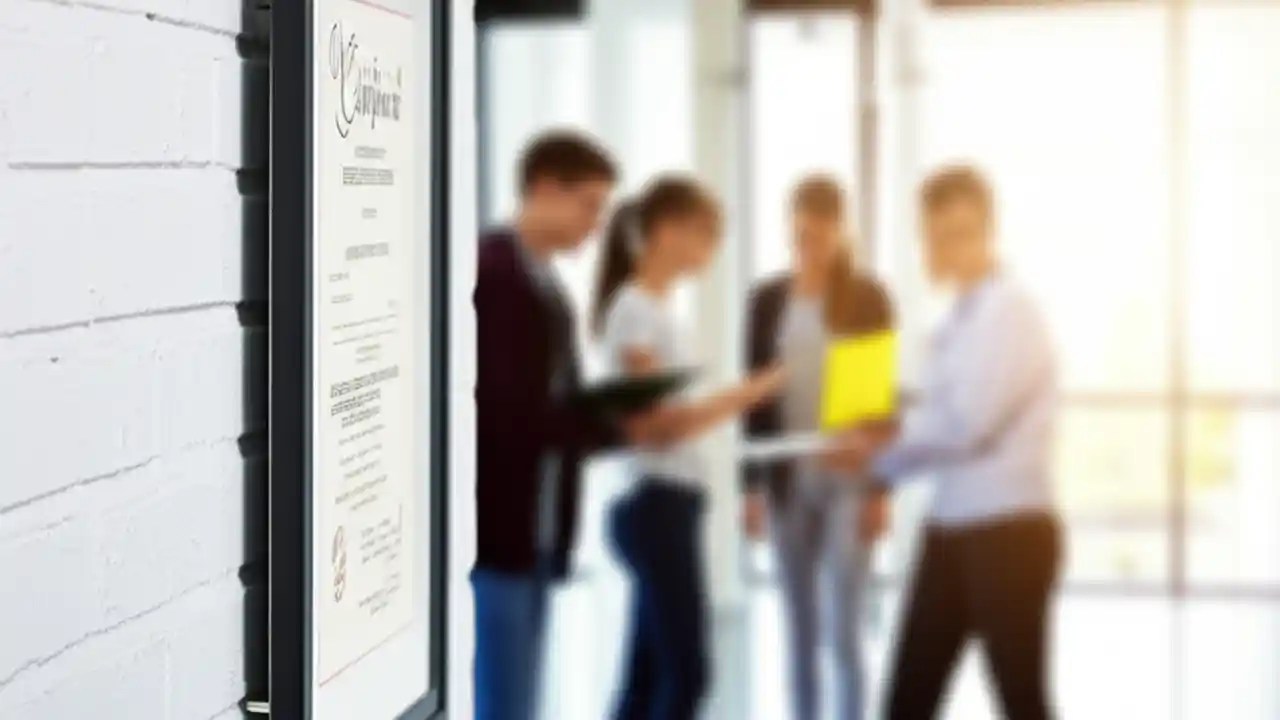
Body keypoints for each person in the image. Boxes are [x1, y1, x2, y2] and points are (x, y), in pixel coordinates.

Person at [827, 165, 1062, 720]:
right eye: (930, 235)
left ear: (985, 232)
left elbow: (969, 424)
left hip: (1008, 533)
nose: (938, 249)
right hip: (953, 528)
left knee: (1022, 702)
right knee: (908, 699)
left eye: (954, 234)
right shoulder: (958, 317)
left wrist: (877, 447)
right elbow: (934, 419)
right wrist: (876, 449)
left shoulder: (1010, 310)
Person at [474, 131, 657, 720]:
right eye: (590, 205)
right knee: (505, 702)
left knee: (521, 696)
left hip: (538, 532)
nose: (596, 224)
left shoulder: (547, 284)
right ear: (546, 188)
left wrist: (613, 413)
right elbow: (508, 415)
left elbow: (558, 399)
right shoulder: (496, 275)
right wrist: (615, 428)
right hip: (499, 537)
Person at [593, 176, 786, 720]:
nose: (712, 249)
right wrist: (756, 389)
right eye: (705, 234)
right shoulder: (634, 310)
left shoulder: (658, 312)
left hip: (672, 505)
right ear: (666, 230)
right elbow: (658, 426)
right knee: (689, 674)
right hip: (657, 507)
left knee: (646, 679)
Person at [741, 176, 895, 720]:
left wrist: (882, 489)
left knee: (844, 625)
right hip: (786, 477)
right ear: (790, 224)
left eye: (823, 231)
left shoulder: (867, 298)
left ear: (841, 230)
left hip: (849, 478)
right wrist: (751, 488)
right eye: (802, 230)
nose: (811, 242)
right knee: (797, 625)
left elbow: (878, 403)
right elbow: (754, 400)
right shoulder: (765, 301)